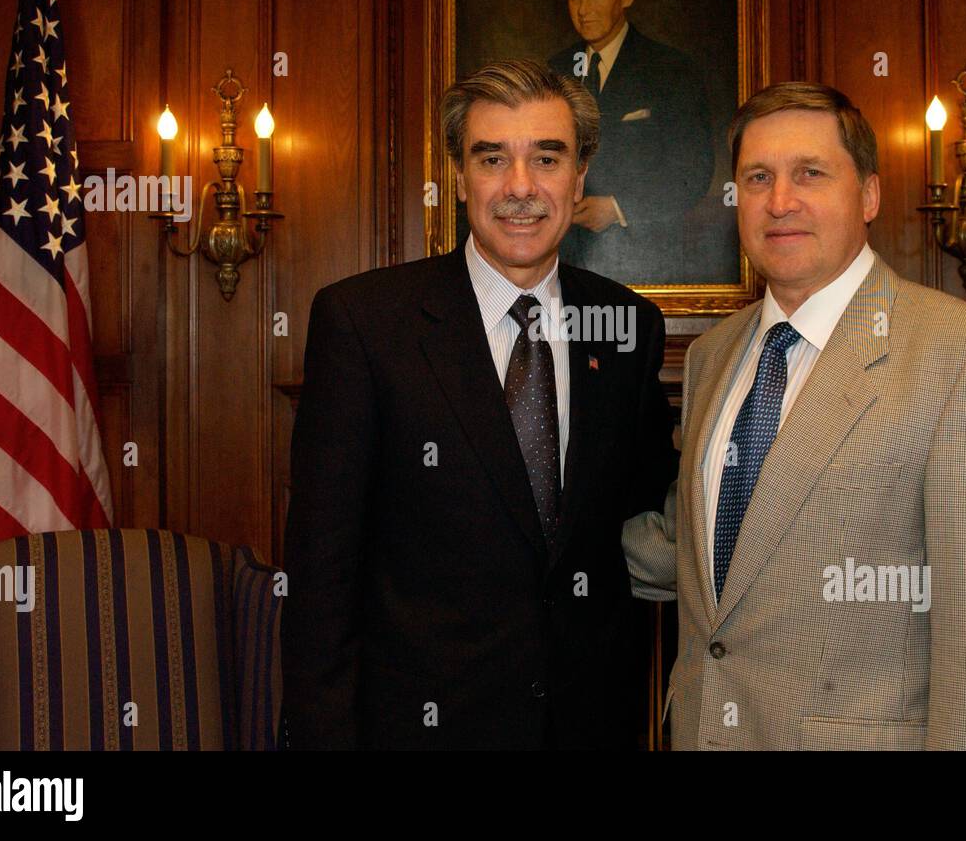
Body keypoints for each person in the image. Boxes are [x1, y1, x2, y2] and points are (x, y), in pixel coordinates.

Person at [623, 82, 966, 750]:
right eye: (757, 177)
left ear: (870, 196)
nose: (780, 200)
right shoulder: (713, 356)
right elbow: (712, 571)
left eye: (810, 174)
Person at [282, 59, 677, 749]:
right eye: (492, 158)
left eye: (546, 158)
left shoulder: (627, 327)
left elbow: (640, 521)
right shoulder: (366, 323)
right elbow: (322, 580)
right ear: (460, 177)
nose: (520, 187)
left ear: (579, 178)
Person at [547, 0, 714, 283]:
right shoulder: (554, 72)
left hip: (644, 261)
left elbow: (694, 171)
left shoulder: (671, 70)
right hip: (560, 266)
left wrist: (617, 208)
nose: (583, 9)